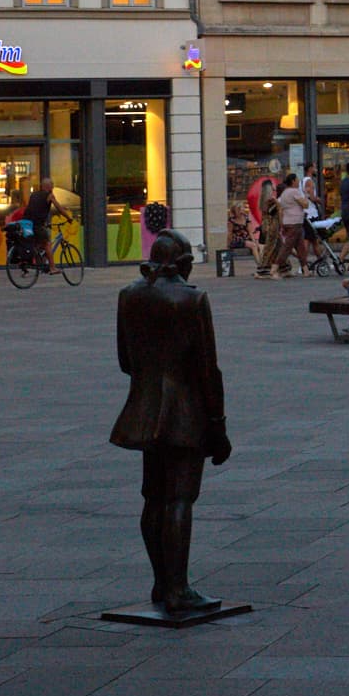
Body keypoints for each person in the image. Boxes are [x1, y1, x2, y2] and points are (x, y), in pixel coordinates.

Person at [110, 231, 232, 616]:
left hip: (144, 409)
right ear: (181, 264)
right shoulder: (193, 299)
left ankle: (162, 582)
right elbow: (208, 369)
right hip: (185, 412)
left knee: (152, 497)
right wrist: (218, 424)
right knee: (179, 498)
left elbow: (125, 361)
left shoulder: (129, 296)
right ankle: (179, 588)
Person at [274, 173, 311, 282]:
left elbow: (281, 208)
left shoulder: (285, 193)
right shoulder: (294, 192)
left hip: (289, 221)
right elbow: (305, 204)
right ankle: (274, 269)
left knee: (300, 248)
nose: (298, 181)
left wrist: (282, 224)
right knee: (287, 247)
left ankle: (306, 270)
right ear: (293, 181)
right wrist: (306, 195)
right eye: (297, 179)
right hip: (295, 222)